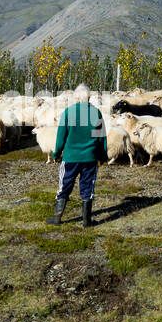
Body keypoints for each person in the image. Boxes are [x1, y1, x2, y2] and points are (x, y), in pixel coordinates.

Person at [46, 85, 109, 227]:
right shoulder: (96, 113)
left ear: (76, 97)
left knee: (65, 185)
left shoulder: (69, 112)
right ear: (89, 97)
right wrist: (102, 156)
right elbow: (101, 137)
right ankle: (87, 221)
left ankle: (57, 218)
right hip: (90, 158)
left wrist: (56, 153)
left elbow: (61, 136)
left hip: (71, 157)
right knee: (88, 186)